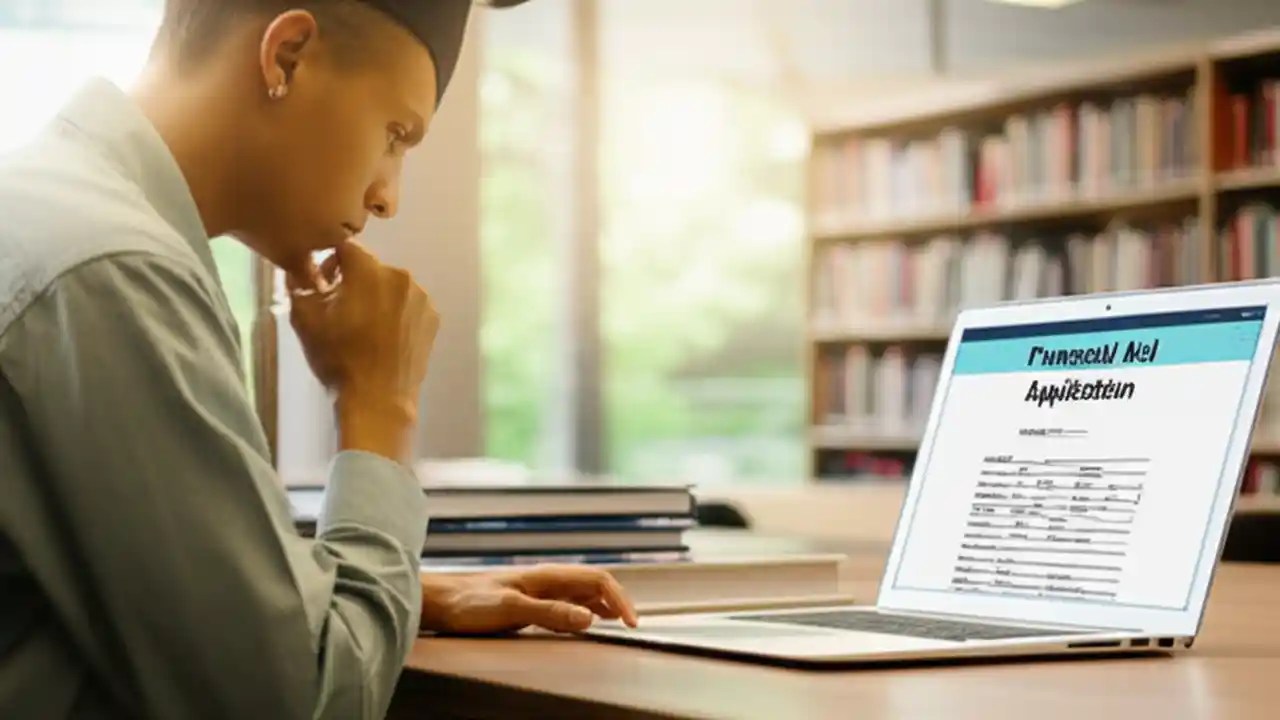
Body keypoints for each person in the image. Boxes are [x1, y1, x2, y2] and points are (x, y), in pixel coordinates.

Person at [0, 1, 638, 718]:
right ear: (288, 56)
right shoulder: (111, 271)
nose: (388, 196)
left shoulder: (48, 211)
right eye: (396, 134)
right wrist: (377, 400)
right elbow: (296, 701)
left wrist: (385, 591)